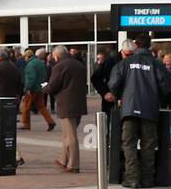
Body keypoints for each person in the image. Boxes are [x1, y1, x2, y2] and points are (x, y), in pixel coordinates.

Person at [106, 34, 171, 188]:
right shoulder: (156, 64)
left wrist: (121, 94)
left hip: (129, 109)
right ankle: (147, 178)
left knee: (128, 144)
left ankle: (132, 177)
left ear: (136, 45)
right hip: (149, 109)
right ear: (149, 47)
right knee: (148, 144)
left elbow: (113, 84)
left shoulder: (125, 63)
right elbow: (167, 86)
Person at [40, 44, 87, 173]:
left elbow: (53, 85)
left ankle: (73, 164)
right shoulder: (79, 65)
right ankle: (63, 159)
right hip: (79, 103)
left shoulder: (60, 66)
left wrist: (43, 89)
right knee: (67, 133)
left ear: (56, 56)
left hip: (66, 103)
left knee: (70, 135)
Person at [20, 48, 55, 131]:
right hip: (40, 88)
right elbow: (44, 75)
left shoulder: (30, 65)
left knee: (25, 107)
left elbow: (31, 78)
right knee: (41, 106)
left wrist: (27, 88)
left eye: (25, 57)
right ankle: (50, 122)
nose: (24, 58)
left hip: (32, 89)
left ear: (27, 56)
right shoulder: (40, 63)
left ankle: (26, 124)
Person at [91, 47, 117, 121]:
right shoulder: (109, 63)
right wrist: (105, 92)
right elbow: (95, 78)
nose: (98, 61)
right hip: (110, 100)